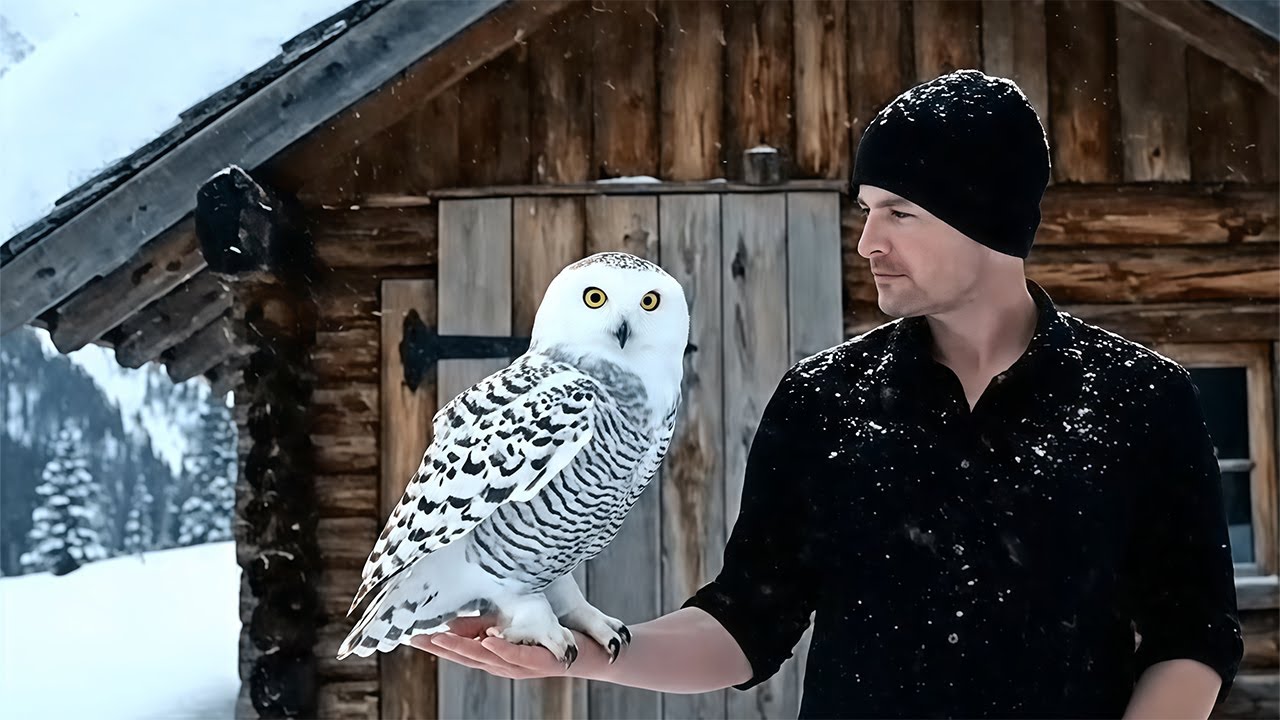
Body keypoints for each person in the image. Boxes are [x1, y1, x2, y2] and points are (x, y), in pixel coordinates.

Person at [409, 70, 1244, 718]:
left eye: (900, 212)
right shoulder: (826, 401)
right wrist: (589, 653)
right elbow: (746, 624)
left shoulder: (1141, 399)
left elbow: (1193, 634)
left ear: (984, 216)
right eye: (866, 210)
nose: (868, 241)